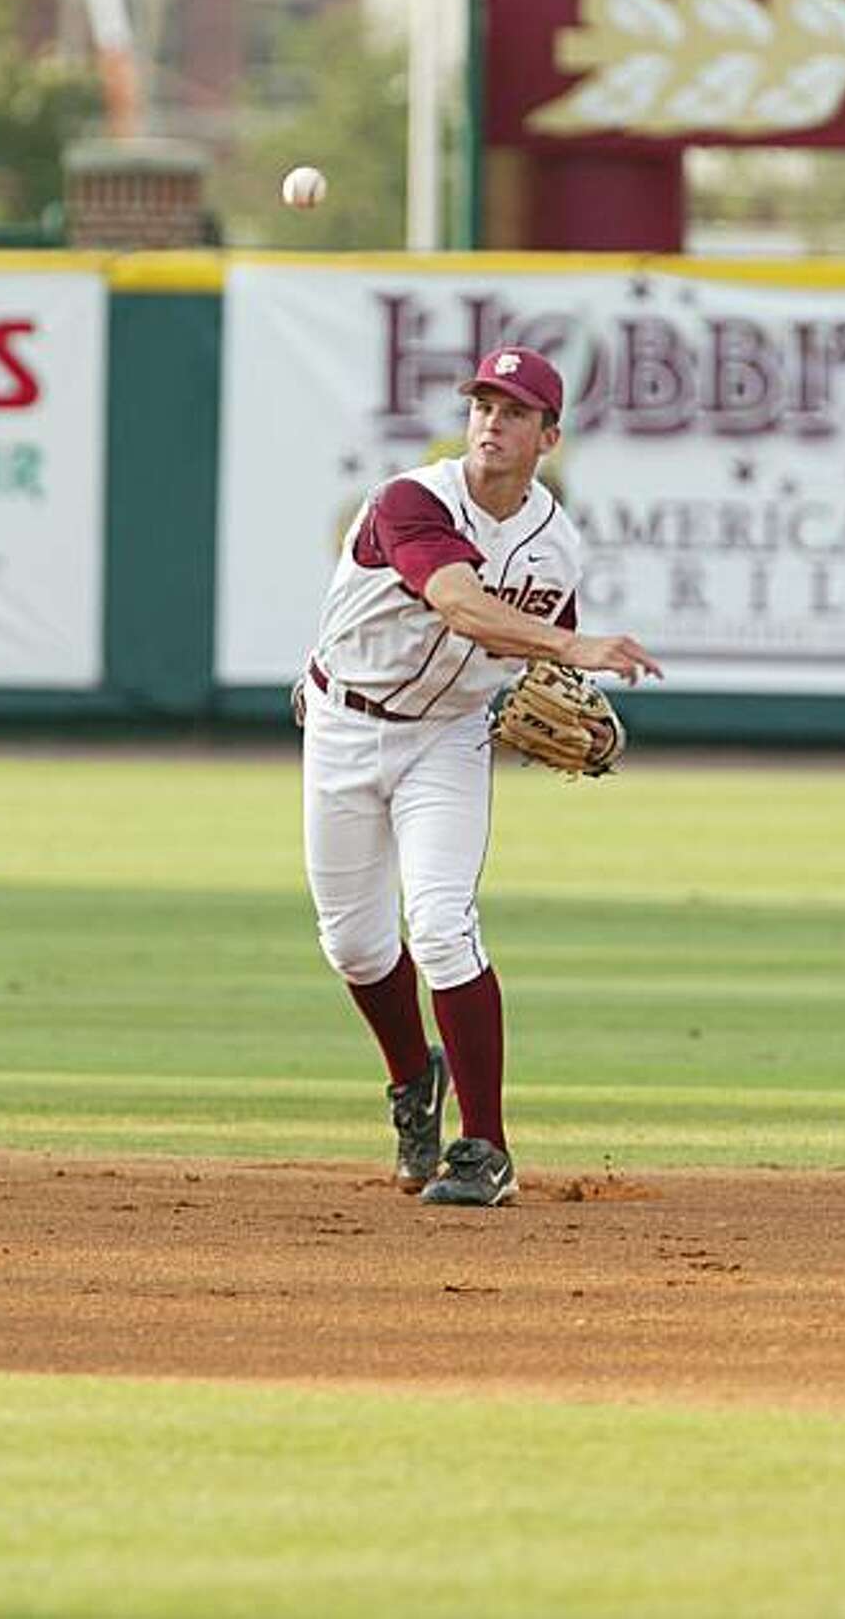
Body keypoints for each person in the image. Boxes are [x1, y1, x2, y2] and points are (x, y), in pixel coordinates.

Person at [298, 346, 662, 1207]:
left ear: (548, 436)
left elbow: (535, 661)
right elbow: (459, 603)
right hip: (344, 723)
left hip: (449, 738)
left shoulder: (555, 544)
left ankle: (485, 1149)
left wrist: (568, 699)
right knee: (353, 943)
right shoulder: (410, 500)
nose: (492, 422)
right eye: (483, 406)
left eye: (514, 411)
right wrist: (575, 645)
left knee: (441, 924)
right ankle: (411, 1078)